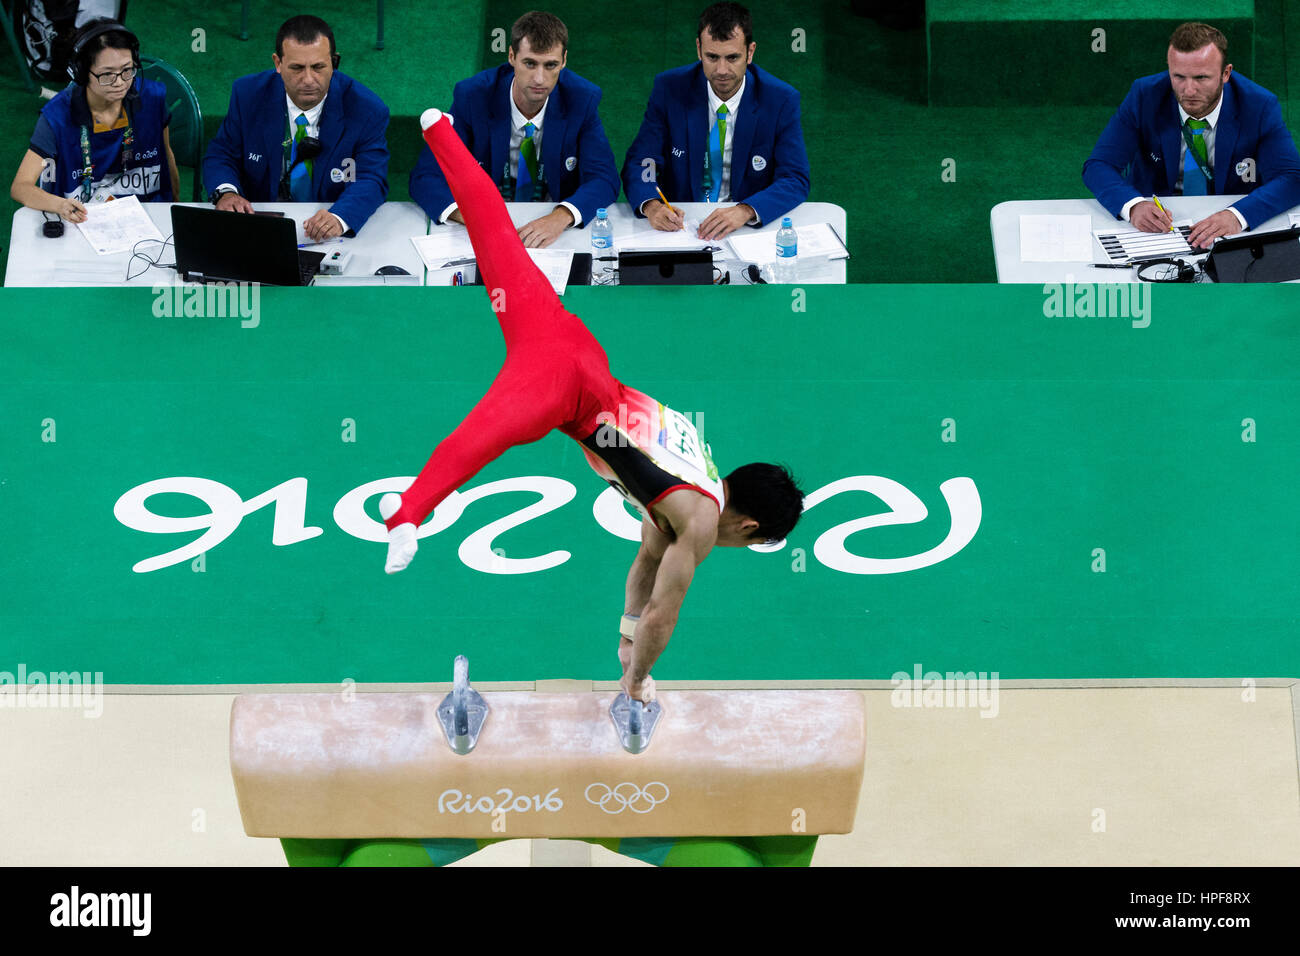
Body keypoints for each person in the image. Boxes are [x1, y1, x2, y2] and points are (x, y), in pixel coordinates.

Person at [384, 109, 806, 703]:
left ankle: (439, 131)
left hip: (576, 349)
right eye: (751, 543)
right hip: (564, 392)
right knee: (479, 439)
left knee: (495, 237)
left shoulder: (697, 483)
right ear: (749, 527)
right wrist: (636, 682)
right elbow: (667, 611)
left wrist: (626, 639)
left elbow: (646, 565)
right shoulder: (703, 521)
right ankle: (405, 516)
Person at [409, 11, 619, 248]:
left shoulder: (583, 98)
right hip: (487, 225)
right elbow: (426, 176)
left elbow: (604, 178)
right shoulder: (473, 96)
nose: (539, 79)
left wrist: (560, 217)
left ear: (564, 61)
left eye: (550, 65)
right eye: (530, 63)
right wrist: (475, 218)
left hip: (551, 226)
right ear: (511, 56)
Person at [1083, 21, 1300, 249]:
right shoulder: (1144, 95)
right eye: (1178, 77)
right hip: (1156, 230)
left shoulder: (1259, 105)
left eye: (1201, 78)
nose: (1188, 90)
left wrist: (1237, 216)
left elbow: (1293, 177)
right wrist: (1133, 205)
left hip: (1225, 226)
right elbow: (1098, 165)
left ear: (1226, 74)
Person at [621, 1, 810, 240]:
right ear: (699, 49)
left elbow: (794, 178)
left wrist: (746, 210)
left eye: (732, 57)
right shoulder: (669, 88)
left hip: (744, 228)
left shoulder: (781, 99)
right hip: (680, 225)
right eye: (712, 57)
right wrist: (651, 205)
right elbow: (643, 161)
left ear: (750, 53)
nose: (721, 70)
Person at [202, 15, 390, 241]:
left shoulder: (367, 109)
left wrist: (340, 217)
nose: (309, 79)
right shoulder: (248, 94)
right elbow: (221, 154)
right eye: (297, 68)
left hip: (328, 231)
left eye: (319, 67)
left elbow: (371, 178)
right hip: (259, 227)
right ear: (278, 63)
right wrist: (227, 193)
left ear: (334, 62)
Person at [10, 18, 180, 221]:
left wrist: (174, 206)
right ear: (81, 73)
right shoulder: (56, 118)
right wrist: (60, 205)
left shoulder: (153, 100)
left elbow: (166, 153)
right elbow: (21, 187)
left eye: (127, 70)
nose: (119, 83)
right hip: (82, 222)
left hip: (147, 217)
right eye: (107, 74)